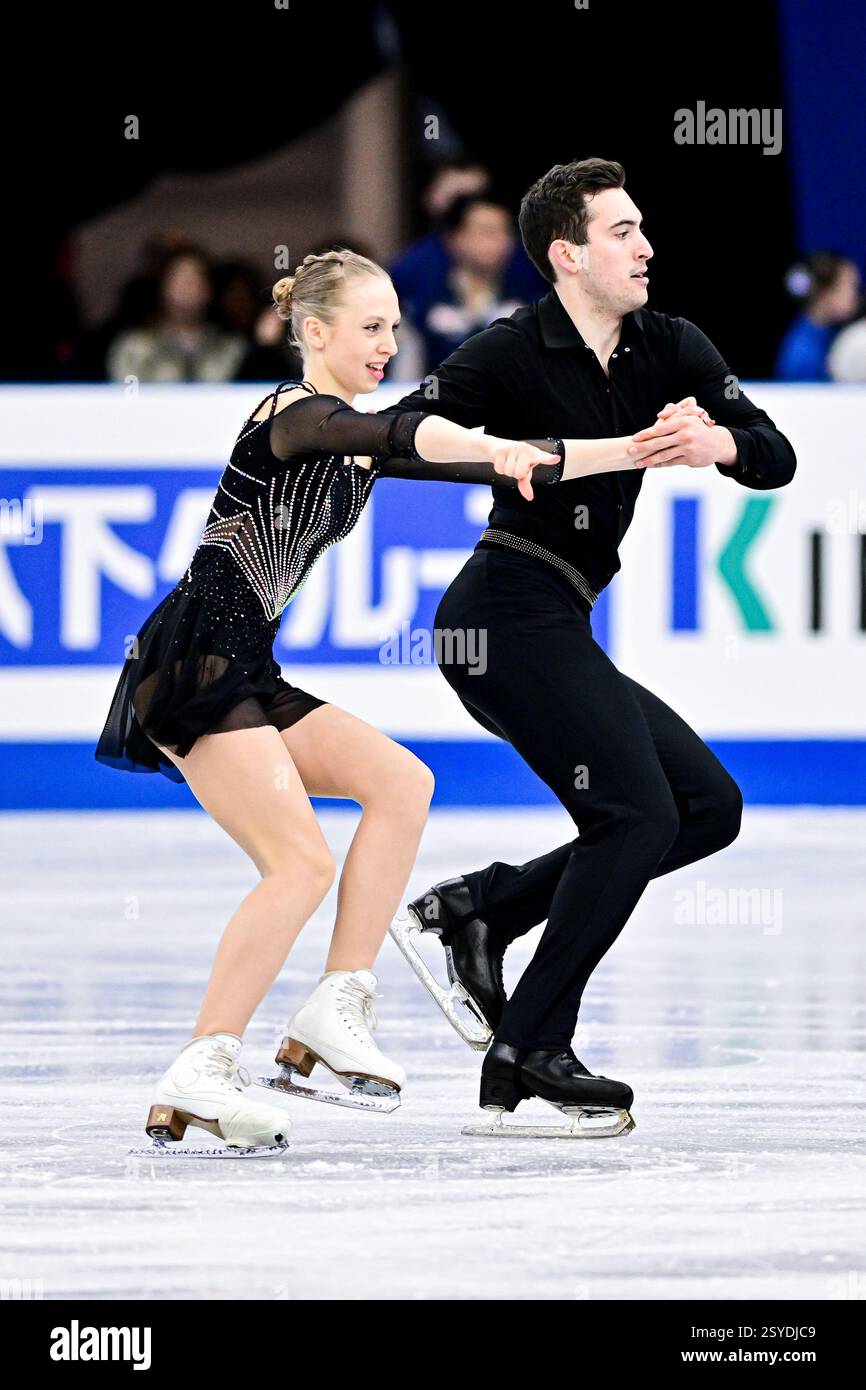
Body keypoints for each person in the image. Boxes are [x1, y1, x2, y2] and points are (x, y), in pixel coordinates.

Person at [96, 245, 628, 1155]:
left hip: (245, 666)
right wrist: (489, 442)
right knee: (299, 864)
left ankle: (336, 1007)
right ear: (314, 332)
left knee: (401, 784)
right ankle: (202, 1064)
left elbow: (461, 457)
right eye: (370, 327)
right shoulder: (295, 417)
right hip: (193, 662)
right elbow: (400, 436)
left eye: (392, 326)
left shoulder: (352, 435)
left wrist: (627, 447)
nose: (390, 341)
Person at [378, 158, 798, 1137]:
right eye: (620, 232)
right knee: (635, 810)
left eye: (640, 227)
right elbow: (396, 434)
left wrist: (720, 445)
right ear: (566, 255)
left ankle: (481, 910)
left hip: (558, 621)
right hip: (498, 617)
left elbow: (773, 453)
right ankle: (528, 1047)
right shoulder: (509, 351)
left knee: (702, 806)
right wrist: (494, 449)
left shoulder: (670, 345)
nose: (644, 246)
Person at [774, 251, 861, 382]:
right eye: (850, 286)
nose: (855, 295)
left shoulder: (835, 332)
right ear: (824, 295)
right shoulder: (802, 354)